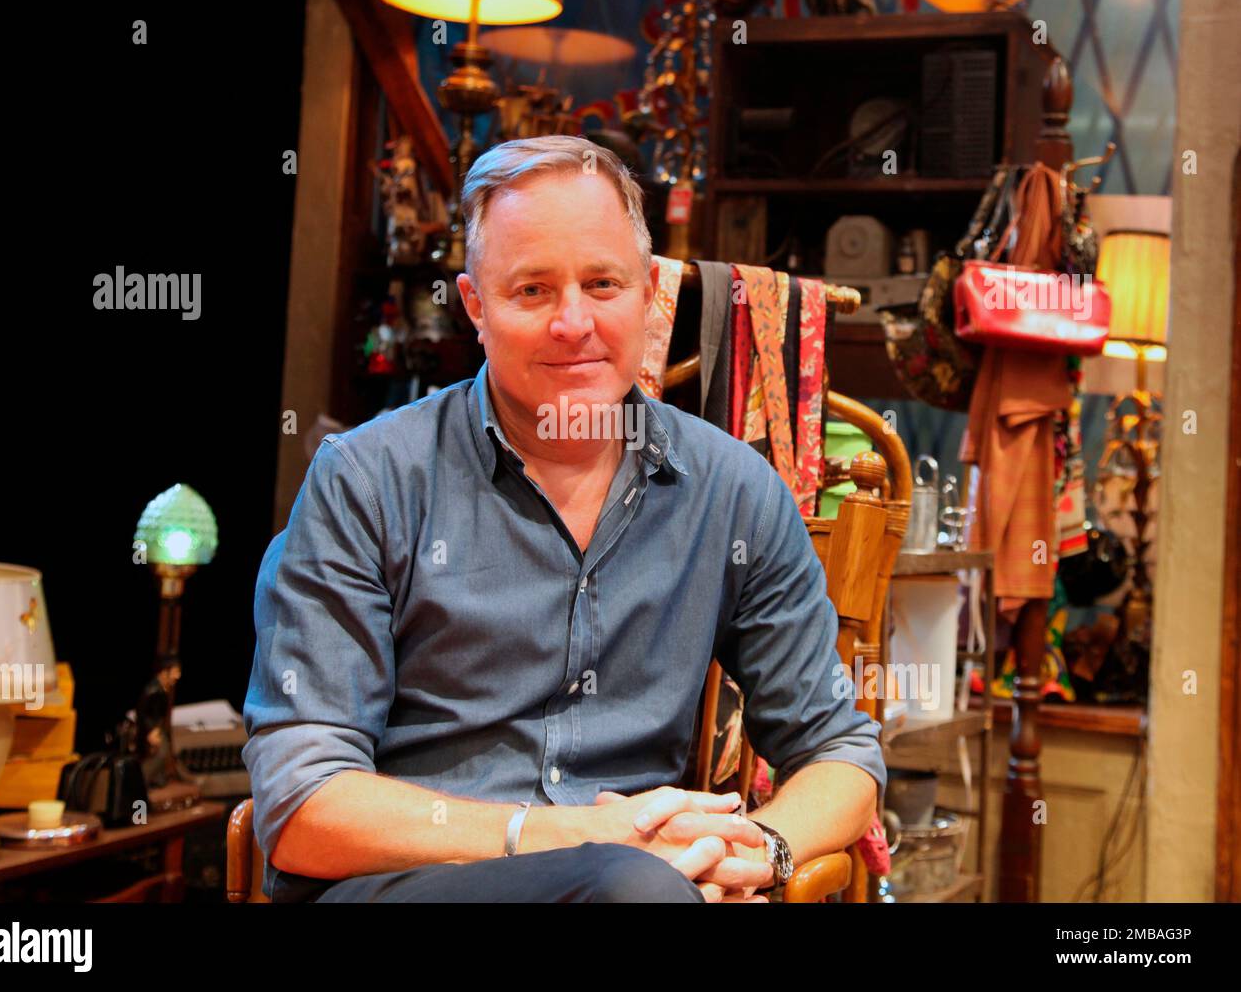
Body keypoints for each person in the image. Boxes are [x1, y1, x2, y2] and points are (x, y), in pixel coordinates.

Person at [242, 135, 886, 903]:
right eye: (532, 291)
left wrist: (764, 849)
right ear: (476, 305)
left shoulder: (734, 491)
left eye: (602, 284)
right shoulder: (367, 480)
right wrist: (576, 837)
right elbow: (301, 804)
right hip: (410, 884)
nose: (572, 322)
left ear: (648, 293)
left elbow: (842, 752)